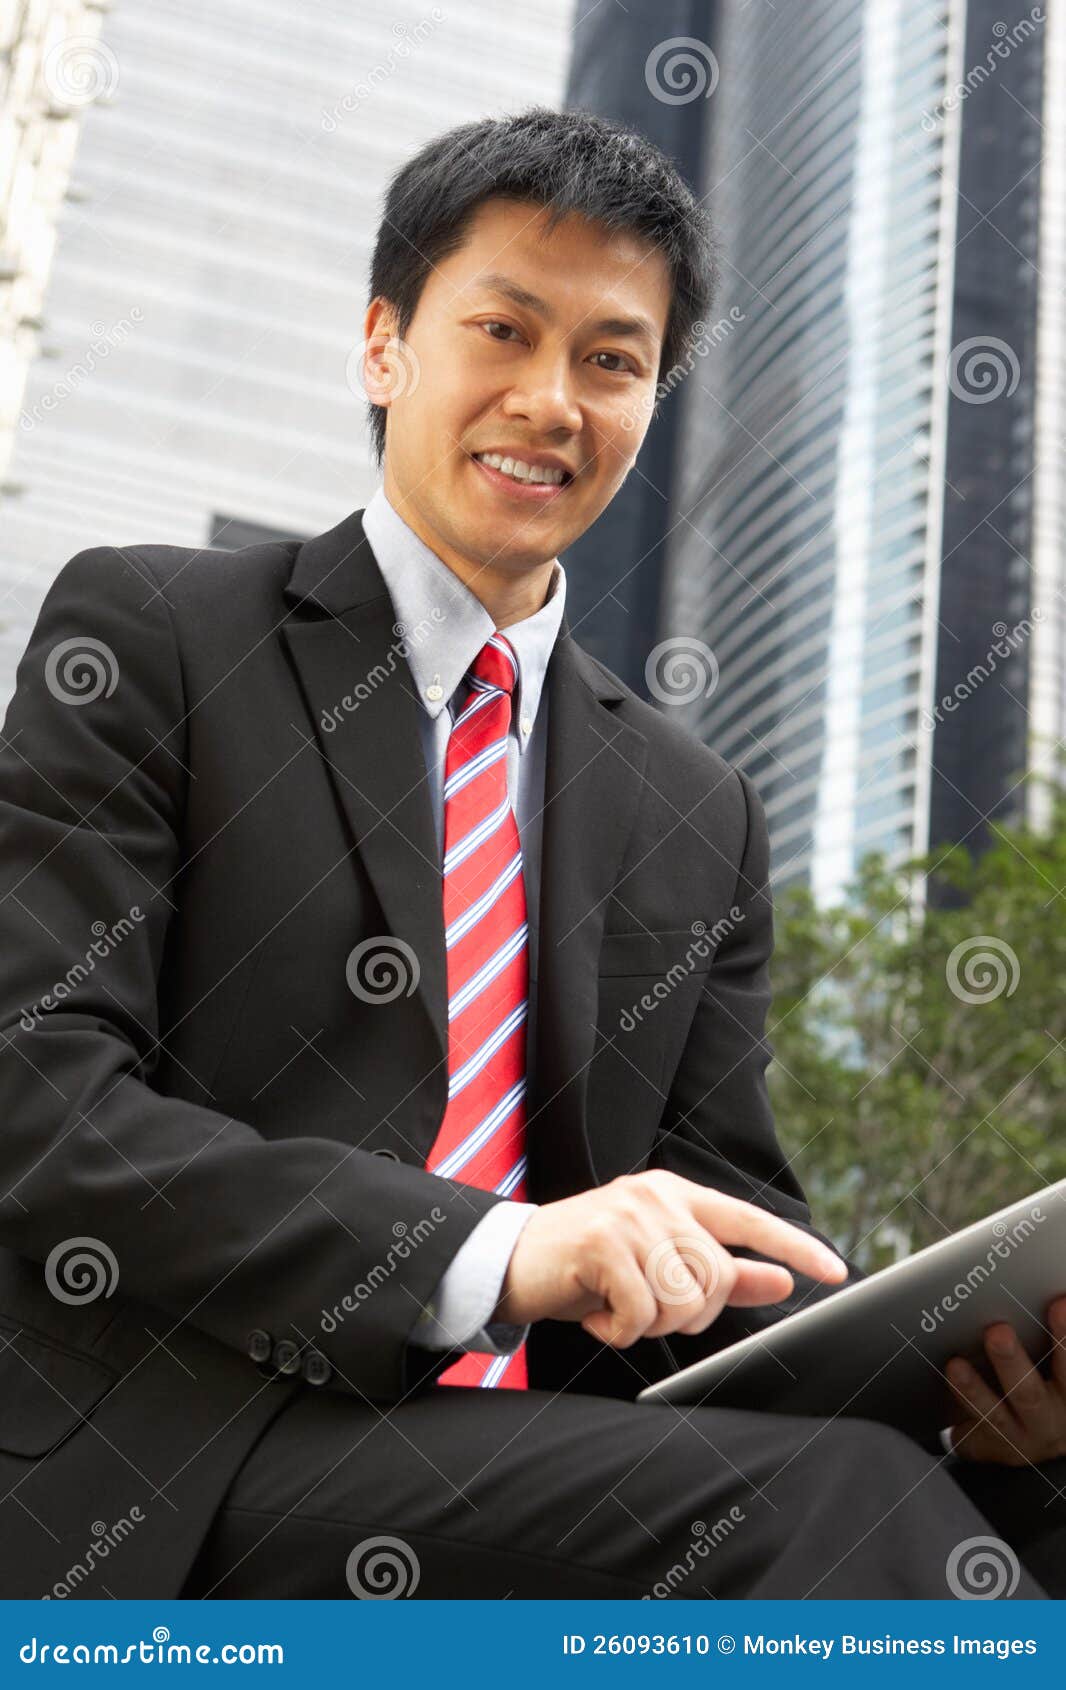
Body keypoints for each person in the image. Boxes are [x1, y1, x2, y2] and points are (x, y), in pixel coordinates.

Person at [0, 107, 1063, 1603]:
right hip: (185, 1463)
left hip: (539, 1473)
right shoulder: (160, 636)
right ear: (385, 347)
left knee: (957, 1505)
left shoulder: (696, 809)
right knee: (839, 1508)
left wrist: (981, 1395)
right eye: (501, 329)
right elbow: (36, 1102)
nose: (549, 399)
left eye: (611, 360)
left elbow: (736, 1257)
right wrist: (494, 1251)